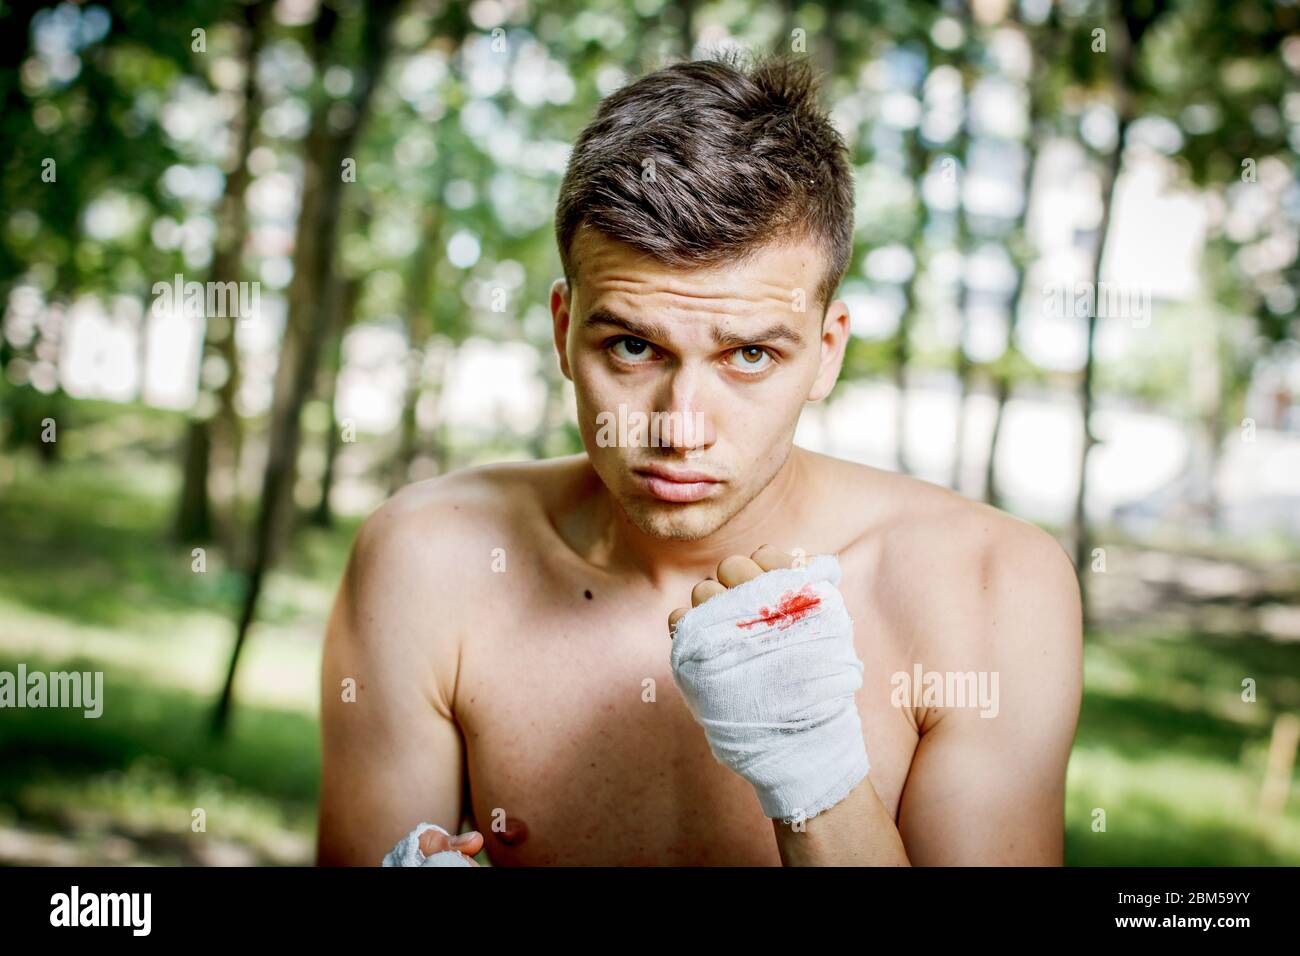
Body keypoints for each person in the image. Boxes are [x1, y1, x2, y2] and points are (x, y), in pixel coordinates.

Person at [316, 52, 1082, 867]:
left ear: (826, 353)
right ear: (562, 331)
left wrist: (813, 769)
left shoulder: (989, 586)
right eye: (634, 345)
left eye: (749, 355)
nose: (681, 429)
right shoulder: (427, 562)